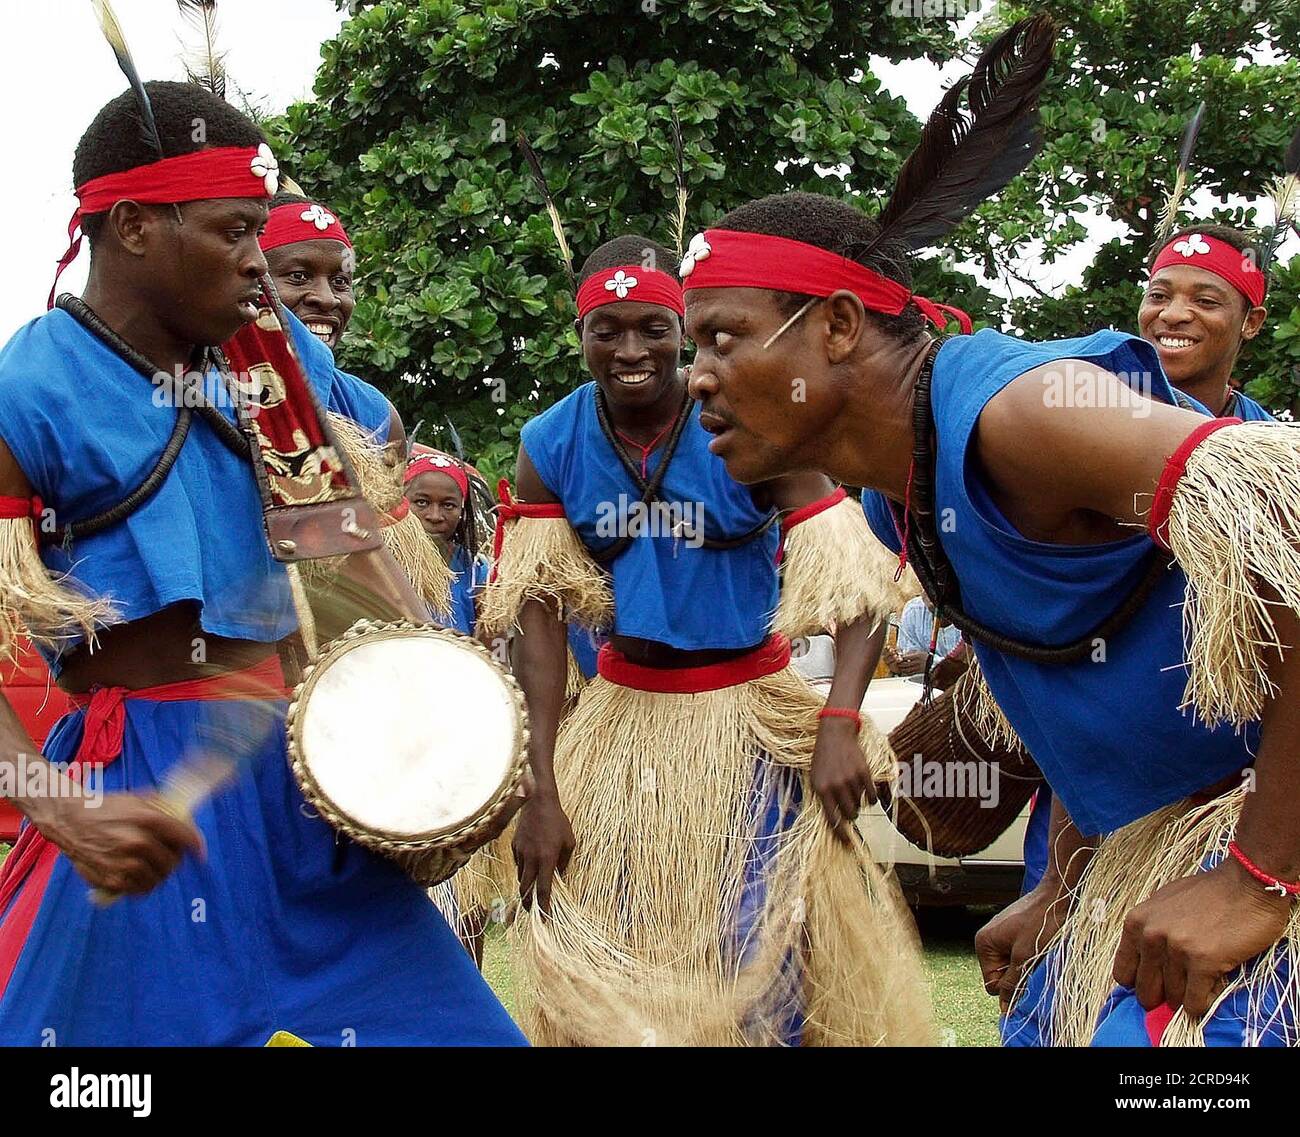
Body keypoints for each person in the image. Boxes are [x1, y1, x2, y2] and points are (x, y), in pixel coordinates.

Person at [679, 163, 1300, 1045]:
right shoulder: (898, 492)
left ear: (840, 325)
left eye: (722, 338)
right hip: (1157, 847)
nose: (697, 376)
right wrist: (1065, 884)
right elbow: (1098, 686)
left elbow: (1289, 525)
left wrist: (1259, 876)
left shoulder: (1026, 413)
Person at [0, 80, 524, 1046]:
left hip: (306, 780)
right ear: (134, 227)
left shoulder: (282, 363)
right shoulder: (26, 388)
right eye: (236, 232)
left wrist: (441, 742)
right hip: (143, 799)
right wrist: (62, 810)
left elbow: (353, 559)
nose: (259, 264)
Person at [479, 233, 929, 1046]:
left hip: (749, 731)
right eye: (605, 329)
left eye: (653, 326)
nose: (630, 349)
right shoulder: (550, 442)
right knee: (607, 973)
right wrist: (539, 785)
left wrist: (838, 721)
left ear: (682, 329)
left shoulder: (751, 416)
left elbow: (862, 595)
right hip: (617, 730)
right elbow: (536, 625)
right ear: (577, 335)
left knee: (762, 971)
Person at [258, 192, 452, 619]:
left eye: (341, 282)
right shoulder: (205, 394)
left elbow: (388, 571)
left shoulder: (376, 415)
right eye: (297, 276)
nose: (327, 299)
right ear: (251, 275)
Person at [405, 449, 488, 634]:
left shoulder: (477, 572)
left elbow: (493, 650)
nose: (435, 516)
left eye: (448, 505)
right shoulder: (384, 564)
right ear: (403, 503)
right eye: (422, 502)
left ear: (461, 512)